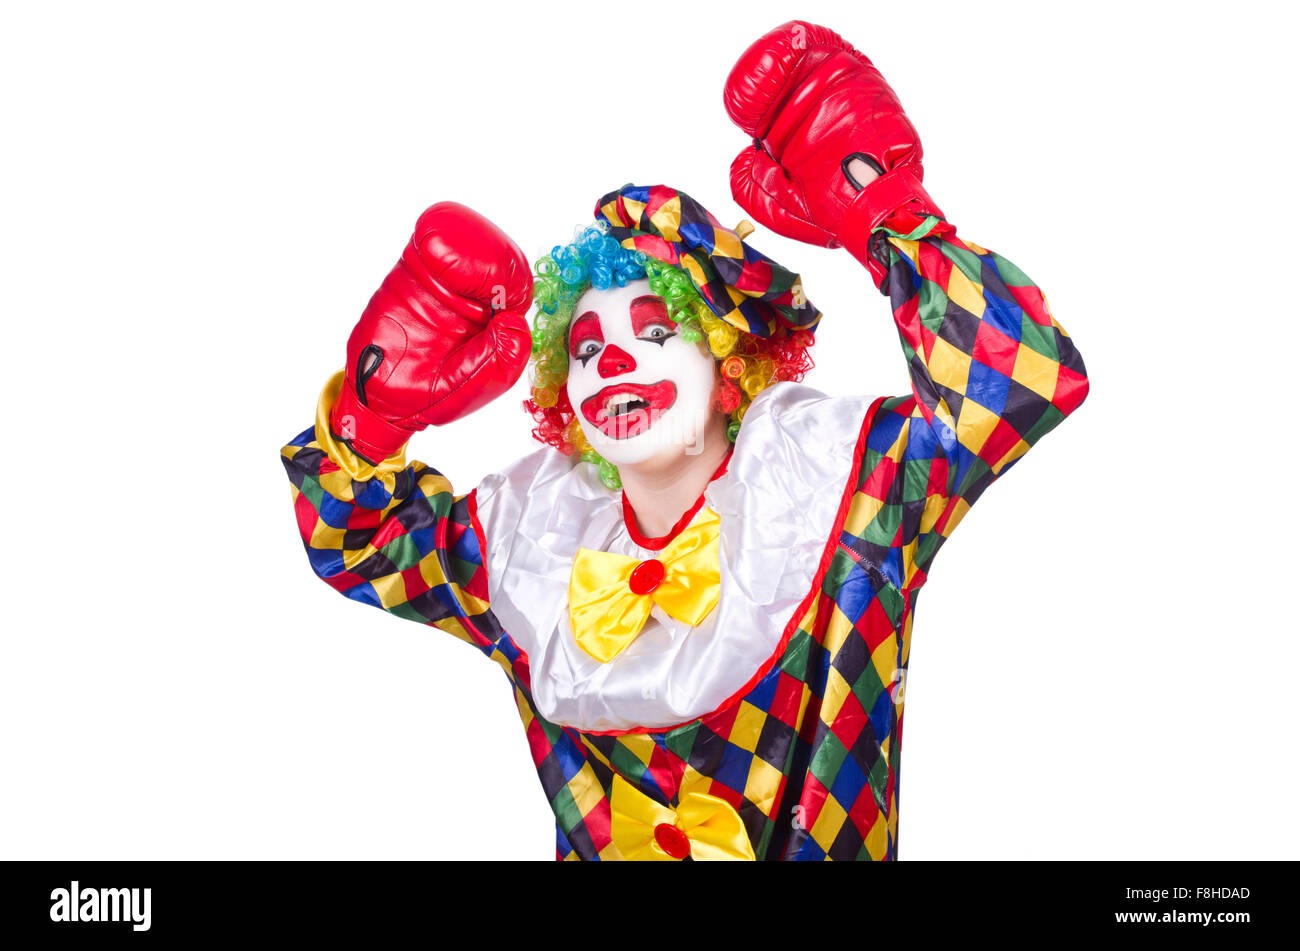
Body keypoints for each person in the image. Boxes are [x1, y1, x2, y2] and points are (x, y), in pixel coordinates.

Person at [280, 20, 1089, 860]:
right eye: (586, 350)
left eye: (656, 333)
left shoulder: (846, 493)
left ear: (730, 361)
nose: (613, 364)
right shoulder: (528, 541)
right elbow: (363, 543)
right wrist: (370, 420)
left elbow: (1017, 384)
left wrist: (888, 218)